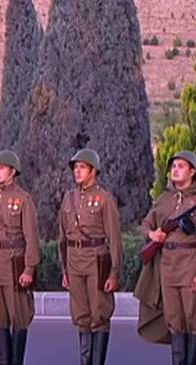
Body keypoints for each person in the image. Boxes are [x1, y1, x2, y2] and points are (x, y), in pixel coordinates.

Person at [136, 151, 196, 365]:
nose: (175, 170)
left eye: (181, 166)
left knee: (194, 319)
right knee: (174, 320)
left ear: (192, 171)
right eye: (173, 166)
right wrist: (152, 235)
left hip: (191, 263)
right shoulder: (165, 199)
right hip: (168, 265)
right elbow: (145, 224)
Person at [58, 148, 122, 365]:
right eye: (75, 168)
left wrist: (114, 273)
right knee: (81, 315)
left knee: (99, 314)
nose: (77, 171)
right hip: (74, 260)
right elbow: (62, 238)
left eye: (82, 167)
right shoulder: (68, 198)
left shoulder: (104, 198)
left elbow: (114, 238)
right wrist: (64, 270)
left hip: (96, 259)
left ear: (93, 171)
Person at [0, 150, 39, 365]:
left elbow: (32, 238)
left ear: (13, 171)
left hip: (14, 266)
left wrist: (29, 269)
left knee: (19, 319)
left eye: (1, 168)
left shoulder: (23, 200)